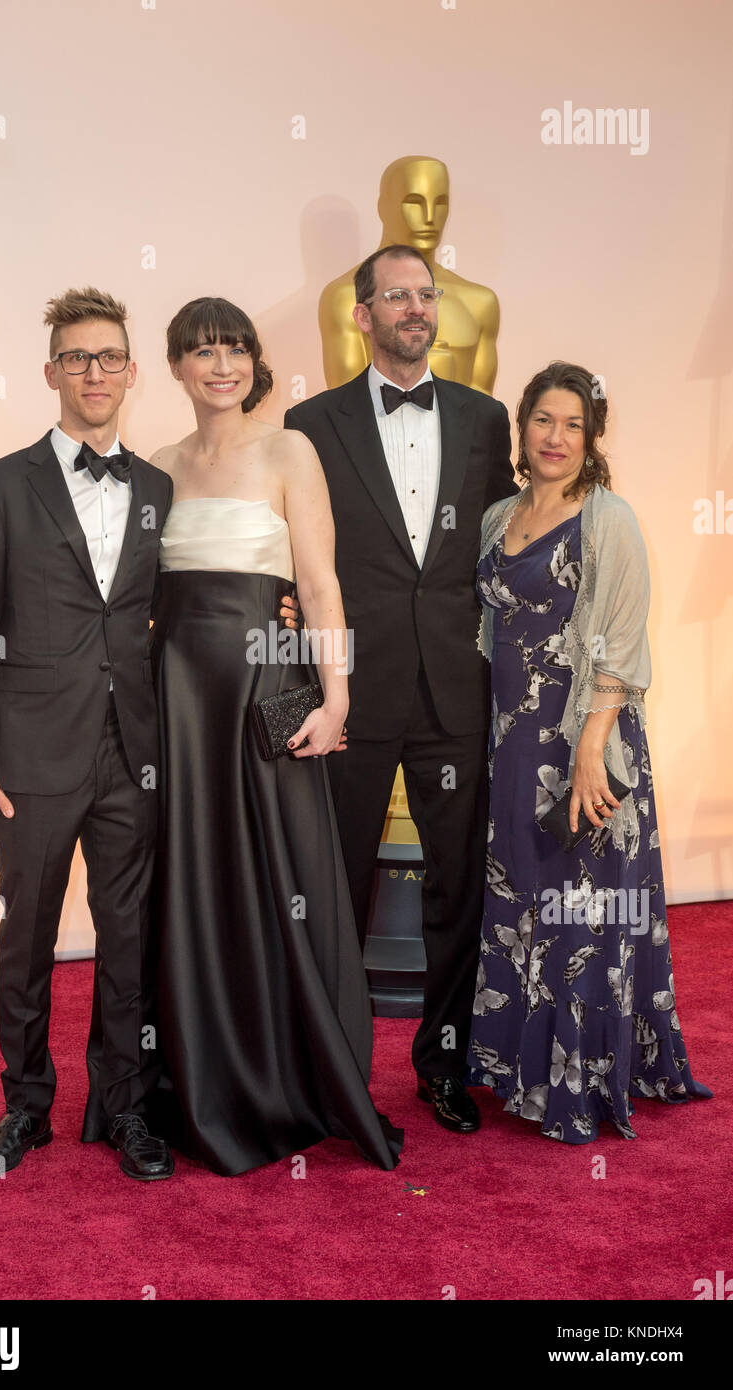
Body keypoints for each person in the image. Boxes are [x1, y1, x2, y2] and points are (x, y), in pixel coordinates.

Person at [141, 296, 403, 1176]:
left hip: (267, 688)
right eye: (202, 351)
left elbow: (321, 587)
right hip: (177, 701)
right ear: (174, 365)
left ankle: (290, 1071)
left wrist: (337, 698)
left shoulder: (290, 449)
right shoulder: (157, 467)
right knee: (195, 875)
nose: (222, 365)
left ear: (254, 362)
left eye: (236, 349)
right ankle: (199, 1069)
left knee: (282, 874)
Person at [285, 245, 518, 1136]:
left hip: (457, 691)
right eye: (396, 296)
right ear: (362, 315)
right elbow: (297, 552)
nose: (415, 309)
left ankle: (445, 1065)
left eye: (425, 295)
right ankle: (329, 1072)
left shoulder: (485, 418)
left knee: (457, 890)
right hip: (348, 689)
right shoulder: (309, 423)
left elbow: (502, 542)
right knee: (332, 885)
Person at [0, 287, 177, 1180]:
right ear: (51, 372)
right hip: (31, 757)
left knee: (129, 940)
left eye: (109, 356)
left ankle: (123, 1110)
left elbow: (172, 611)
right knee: (26, 941)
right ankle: (24, 1109)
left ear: (130, 373)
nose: (94, 372)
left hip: (135, 755)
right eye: (76, 357)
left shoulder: (156, 487)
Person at [466, 361, 712, 1141]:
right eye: (543, 419)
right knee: (522, 902)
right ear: (522, 427)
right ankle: (520, 1071)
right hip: (512, 744)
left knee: (580, 911)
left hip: (587, 741)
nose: (556, 437)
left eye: (573, 424)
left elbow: (621, 646)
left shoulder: (610, 519)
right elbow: (489, 637)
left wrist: (588, 750)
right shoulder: (496, 516)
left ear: (592, 437)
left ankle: (578, 1080)